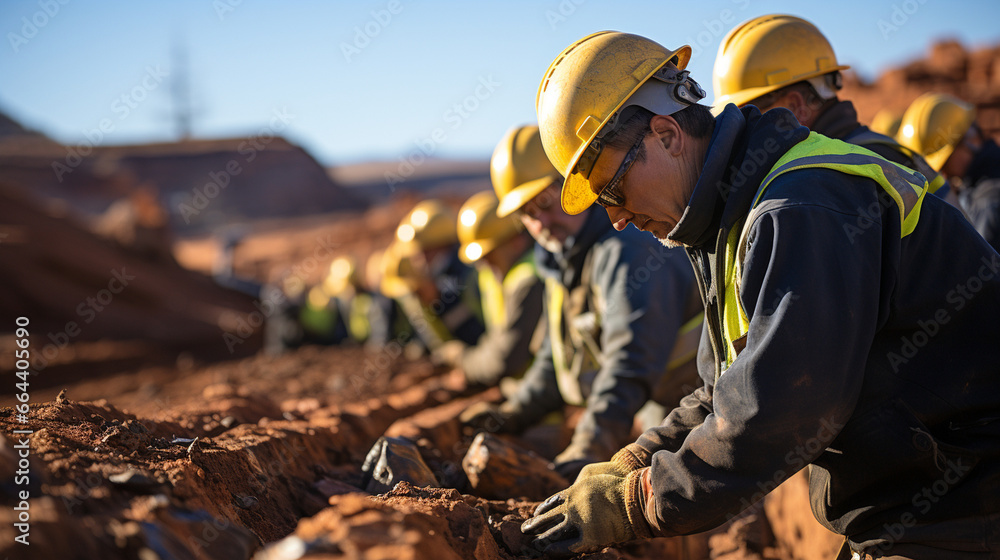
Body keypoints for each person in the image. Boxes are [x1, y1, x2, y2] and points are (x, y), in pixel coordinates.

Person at [522, 31, 1000, 558]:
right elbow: (723, 389)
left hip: (969, 502)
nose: (613, 217)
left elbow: (781, 407)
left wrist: (633, 503)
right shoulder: (726, 223)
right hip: (913, 502)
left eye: (611, 188)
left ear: (665, 134)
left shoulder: (800, 207)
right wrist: (634, 460)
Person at [460, 125, 703, 481]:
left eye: (546, 202)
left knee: (667, 484)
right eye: (527, 213)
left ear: (577, 187)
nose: (541, 222)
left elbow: (632, 361)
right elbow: (555, 357)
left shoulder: (627, 250)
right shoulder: (565, 261)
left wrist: (590, 443)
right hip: (656, 396)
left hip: (695, 399)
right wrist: (516, 412)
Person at [712, 14, 953, 204]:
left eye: (750, 114)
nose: (741, 129)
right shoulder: (864, 155)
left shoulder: (849, 171)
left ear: (795, 107)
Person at [434, 190, 544, 388]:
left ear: (516, 241)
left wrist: (463, 361)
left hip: (542, 400)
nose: (483, 265)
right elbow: (495, 340)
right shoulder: (498, 276)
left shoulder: (529, 280)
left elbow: (505, 359)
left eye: (488, 255)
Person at [898, 92, 1000, 253]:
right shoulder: (976, 189)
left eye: (944, 162)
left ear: (969, 139)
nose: (942, 172)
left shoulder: (989, 202)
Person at [384, 200, 485, 352]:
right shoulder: (441, 275)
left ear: (441, 243)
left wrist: (439, 301)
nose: (420, 260)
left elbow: (473, 333)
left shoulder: (466, 273)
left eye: (424, 251)